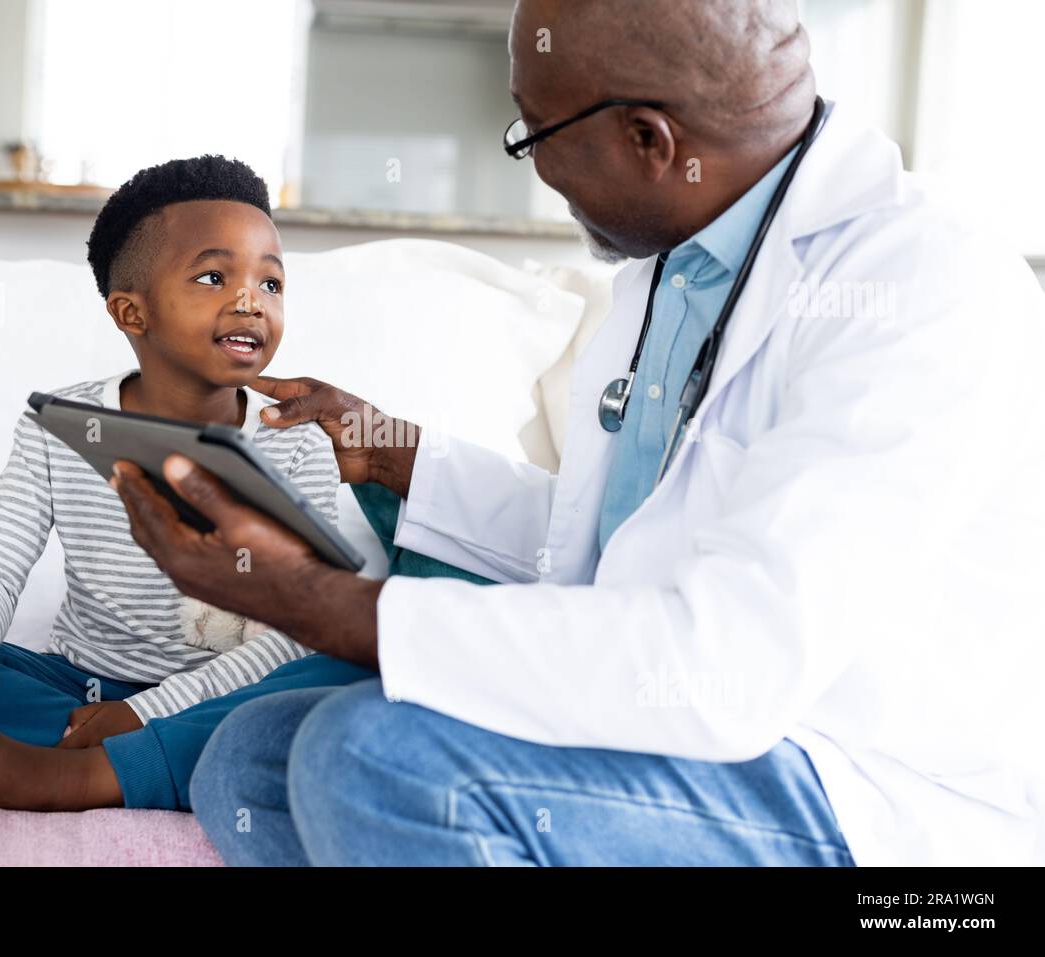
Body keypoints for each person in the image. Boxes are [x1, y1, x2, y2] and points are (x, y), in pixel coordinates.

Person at [107, 0, 1045, 865]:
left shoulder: (921, 292)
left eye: (534, 131)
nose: (538, 162)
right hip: (708, 733)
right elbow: (620, 555)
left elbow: (721, 666)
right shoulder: (684, 268)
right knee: (253, 758)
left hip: (862, 795)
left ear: (649, 139)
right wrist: (403, 453)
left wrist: (315, 600)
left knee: (378, 760)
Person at [0, 154, 368, 812]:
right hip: (79, 687)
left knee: (344, 673)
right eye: (215, 276)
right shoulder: (60, 426)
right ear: (132, 312)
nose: (250, 301)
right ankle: (141, 760)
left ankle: (82, 768)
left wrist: (151, 712)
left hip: (224, 693)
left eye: (271, 284)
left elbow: (297, 630)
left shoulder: (297, 437)